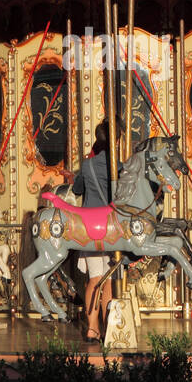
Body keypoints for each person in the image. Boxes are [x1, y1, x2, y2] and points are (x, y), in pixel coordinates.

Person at [70, 122, 113, 340]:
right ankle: (109, 328)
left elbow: (77, 189)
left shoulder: (87, 165)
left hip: (91, 227)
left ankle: (92, 327)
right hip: (111, 226)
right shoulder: (117, 165)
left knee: (95, 278)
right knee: (108, 279)